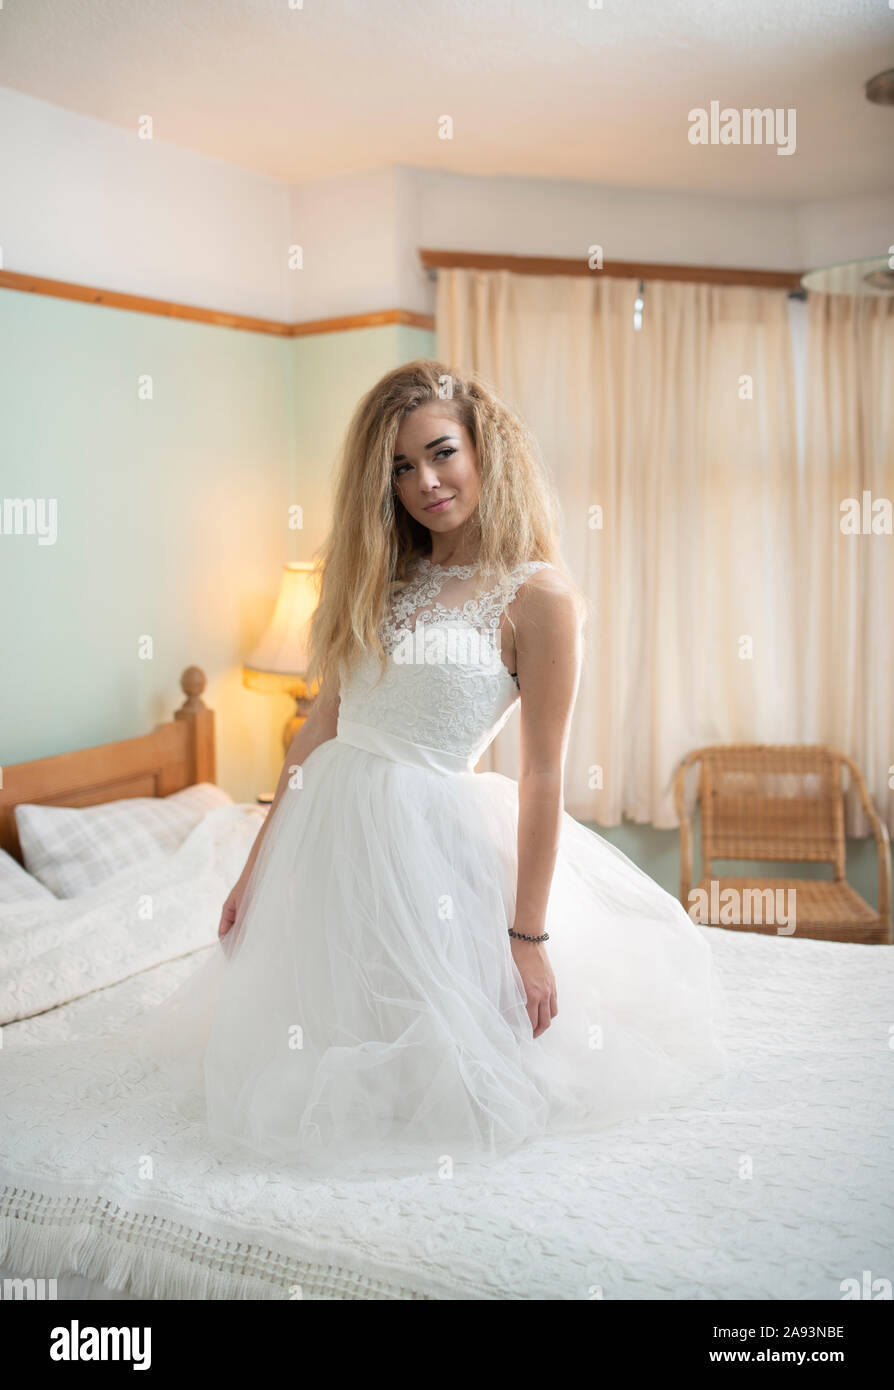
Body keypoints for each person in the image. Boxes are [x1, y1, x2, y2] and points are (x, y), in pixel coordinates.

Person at [191, 358, 729, 1177]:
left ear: (485, 448)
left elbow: (544, 774)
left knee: (448, 1070)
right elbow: (323, 725)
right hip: (334, 840)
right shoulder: (377, 572)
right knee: (328, 1029)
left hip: (431, 848)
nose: (424, 482)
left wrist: (528, 938)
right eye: (401, 467)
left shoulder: (537, 596)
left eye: (441, 452)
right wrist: (254, 870)